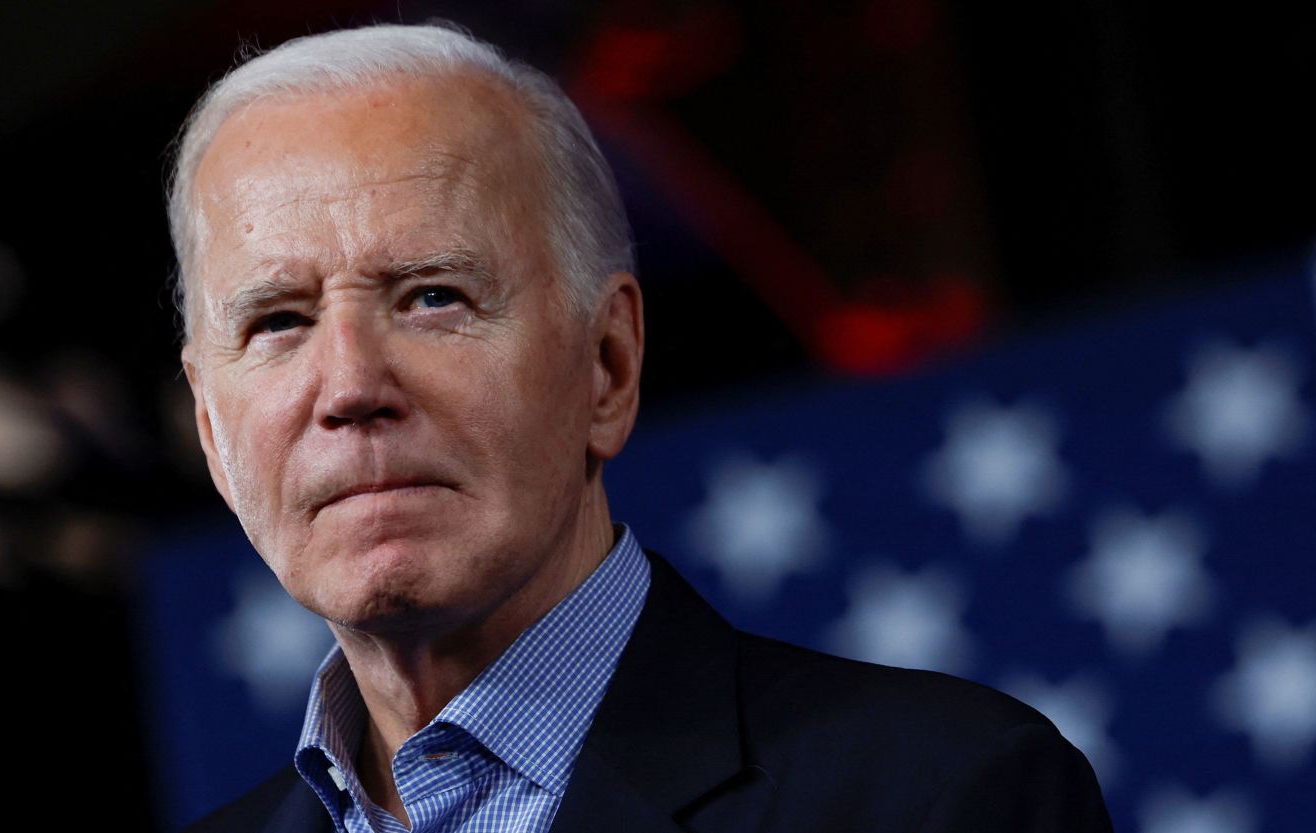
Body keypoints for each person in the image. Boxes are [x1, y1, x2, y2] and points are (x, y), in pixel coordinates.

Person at [170, 22, 1114, 833]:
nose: (349, 385)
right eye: (278, 322)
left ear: (607, 366)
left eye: (432, 297)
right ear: (213, 428)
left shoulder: (941, 797)